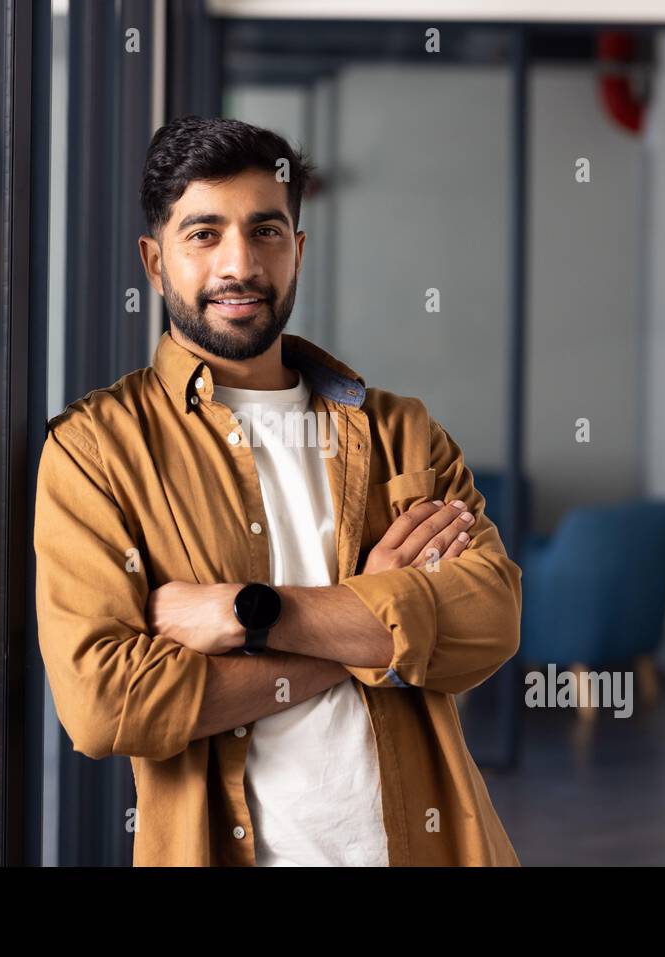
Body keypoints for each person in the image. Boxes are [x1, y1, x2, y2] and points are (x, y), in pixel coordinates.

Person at [34, 115, 522, 866]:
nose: (240, 263)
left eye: (265, 231)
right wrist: (374, 628)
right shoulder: (96, 448)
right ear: (155, 263)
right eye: (204, 234)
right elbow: (104, 705)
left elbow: (490, 618)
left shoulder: (402, 431)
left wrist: (243, 612)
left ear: (296, 250)